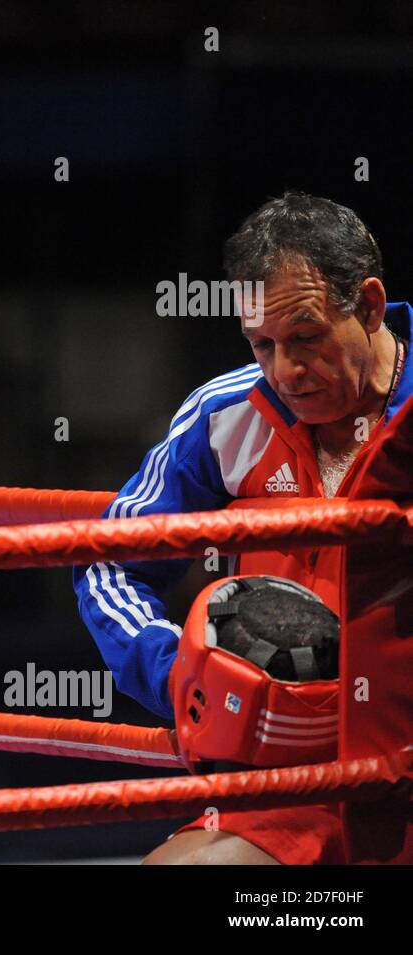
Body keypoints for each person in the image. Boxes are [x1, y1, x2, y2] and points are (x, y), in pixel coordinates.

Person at [72, 192, 409, 864]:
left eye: (306, 337)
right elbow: (110, 561)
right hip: (287, 788)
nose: (285, 369)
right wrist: (178, 676)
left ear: (369, 306)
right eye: (262, 344)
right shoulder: (228, 414)